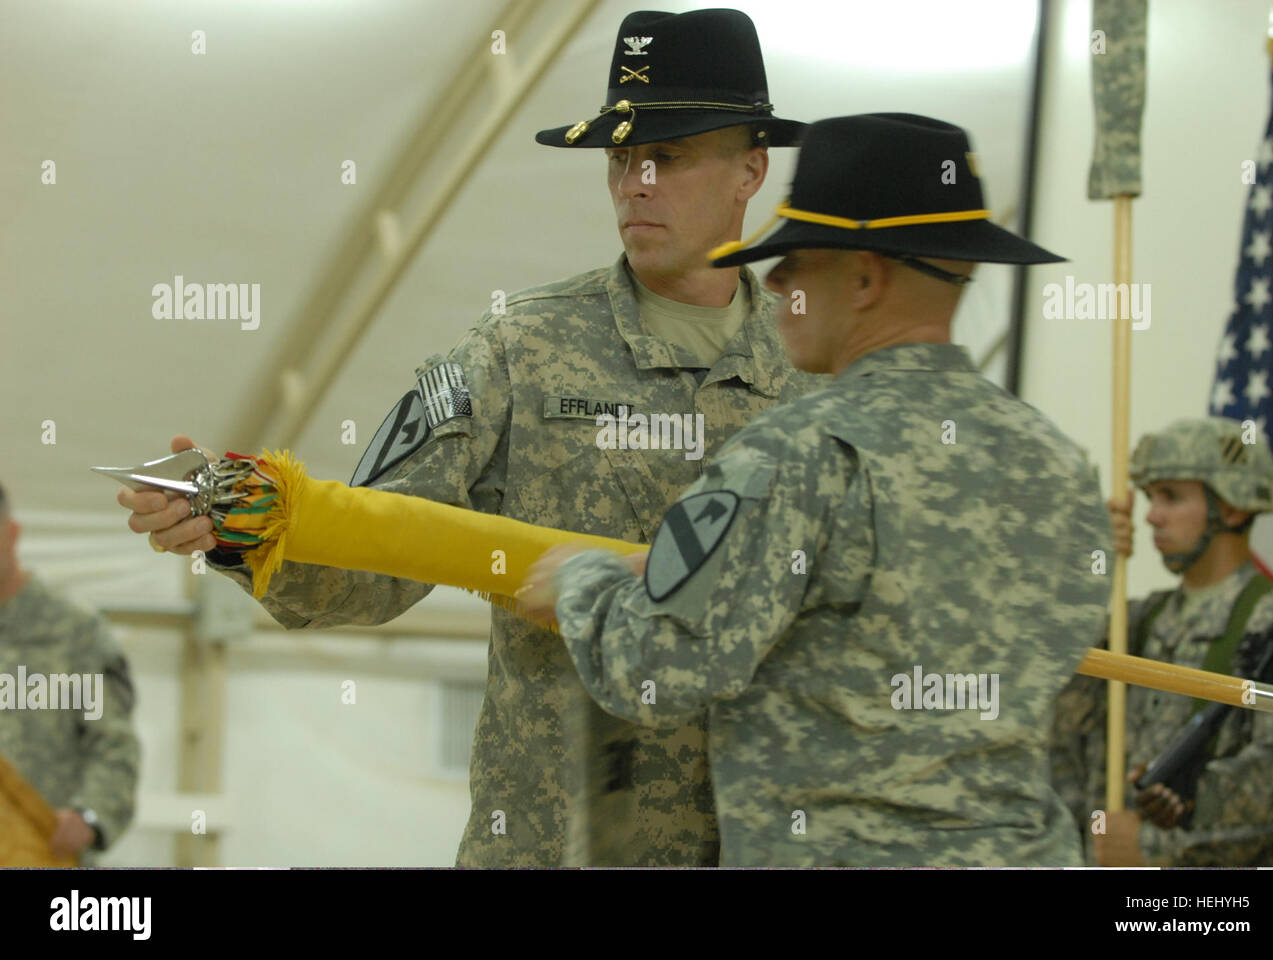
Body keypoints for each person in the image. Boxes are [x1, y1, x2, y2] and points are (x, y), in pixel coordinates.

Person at [114, 9, 813, 867]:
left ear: (752, 169)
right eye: (621, 159)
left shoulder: (817, 376)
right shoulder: (519, 349)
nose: (635, 183)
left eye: (666, 157)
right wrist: (239, 528)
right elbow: (374, 553)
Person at [518, 113, 1114, 866]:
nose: (777, 282)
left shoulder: (800, 452)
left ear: (864, 277)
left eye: (796, 261)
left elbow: (657, 668)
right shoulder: (1057, 465)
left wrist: (582, 581)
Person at [1051, 417, 1273, 866]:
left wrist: (1148, 847)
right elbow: (1063, 725)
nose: (1150, 515)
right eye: (1150, 497)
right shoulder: (1142, 619)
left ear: (1233, 508)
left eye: (1171, 497)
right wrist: (1088, 571)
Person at [0, 481, 140, 863]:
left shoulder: (73, 631)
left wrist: (88, 816)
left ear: (12, 534)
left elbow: (114, 745)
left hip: (46, 857)